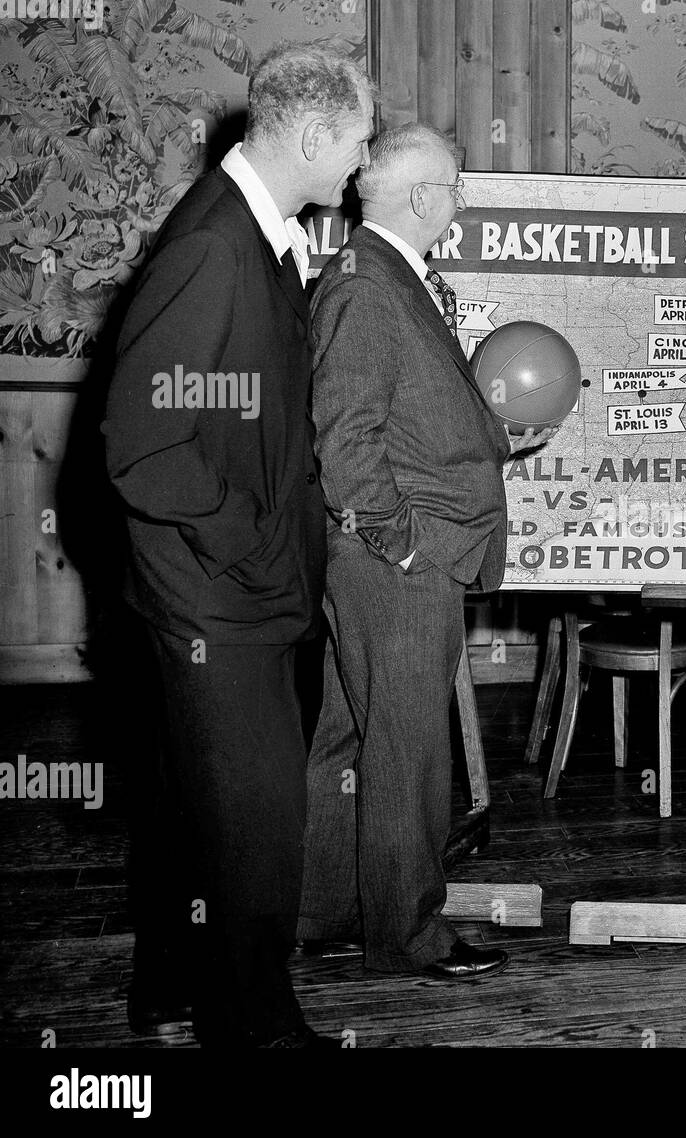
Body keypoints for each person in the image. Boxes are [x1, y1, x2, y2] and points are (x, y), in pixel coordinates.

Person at [102, 43, 374, 1048]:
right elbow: (141, 443)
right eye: (352, 144)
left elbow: (233, 411)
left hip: (224, 587)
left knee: (192, 806)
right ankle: (251, 1024)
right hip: (221, 596)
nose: (355, 164)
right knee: (258, 827)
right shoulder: (217, 248)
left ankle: (168, 983)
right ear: (310, 137)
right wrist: (253, 543)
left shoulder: (256, 237)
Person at [298, 123, 549, 980]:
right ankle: (407, 933)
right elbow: (346, 442)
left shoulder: (386, 276)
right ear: (420, 198)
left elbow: (403, 417)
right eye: (455, 184)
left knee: (350, 738)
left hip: (379, 557)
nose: (462, 198)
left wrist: (490, 440)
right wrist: (404, 547)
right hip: (393, 563)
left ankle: (323, 912)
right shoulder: (369, 286)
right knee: (408, 746)